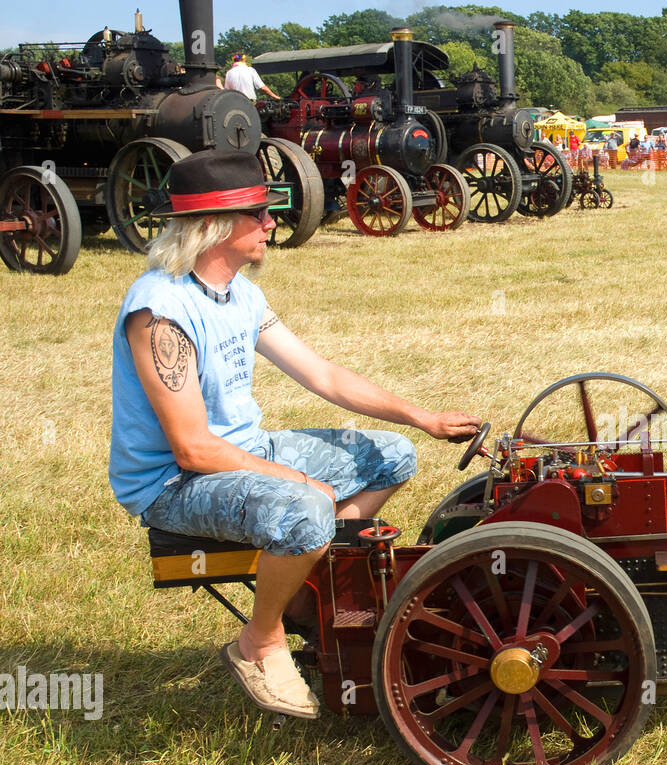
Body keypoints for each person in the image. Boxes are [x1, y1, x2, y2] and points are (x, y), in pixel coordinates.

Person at [108, 150, 480, 719]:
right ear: (216, 225)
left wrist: (422, 418)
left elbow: (323, 375)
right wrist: (300, 481)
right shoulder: (160, 312)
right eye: (258, 214)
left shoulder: (241, 294)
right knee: (307, 510)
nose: (271, 224)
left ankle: (319, 595)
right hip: (174, 482)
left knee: (392, 455)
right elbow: (192, 448)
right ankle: (260, 641)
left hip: (241, 453)